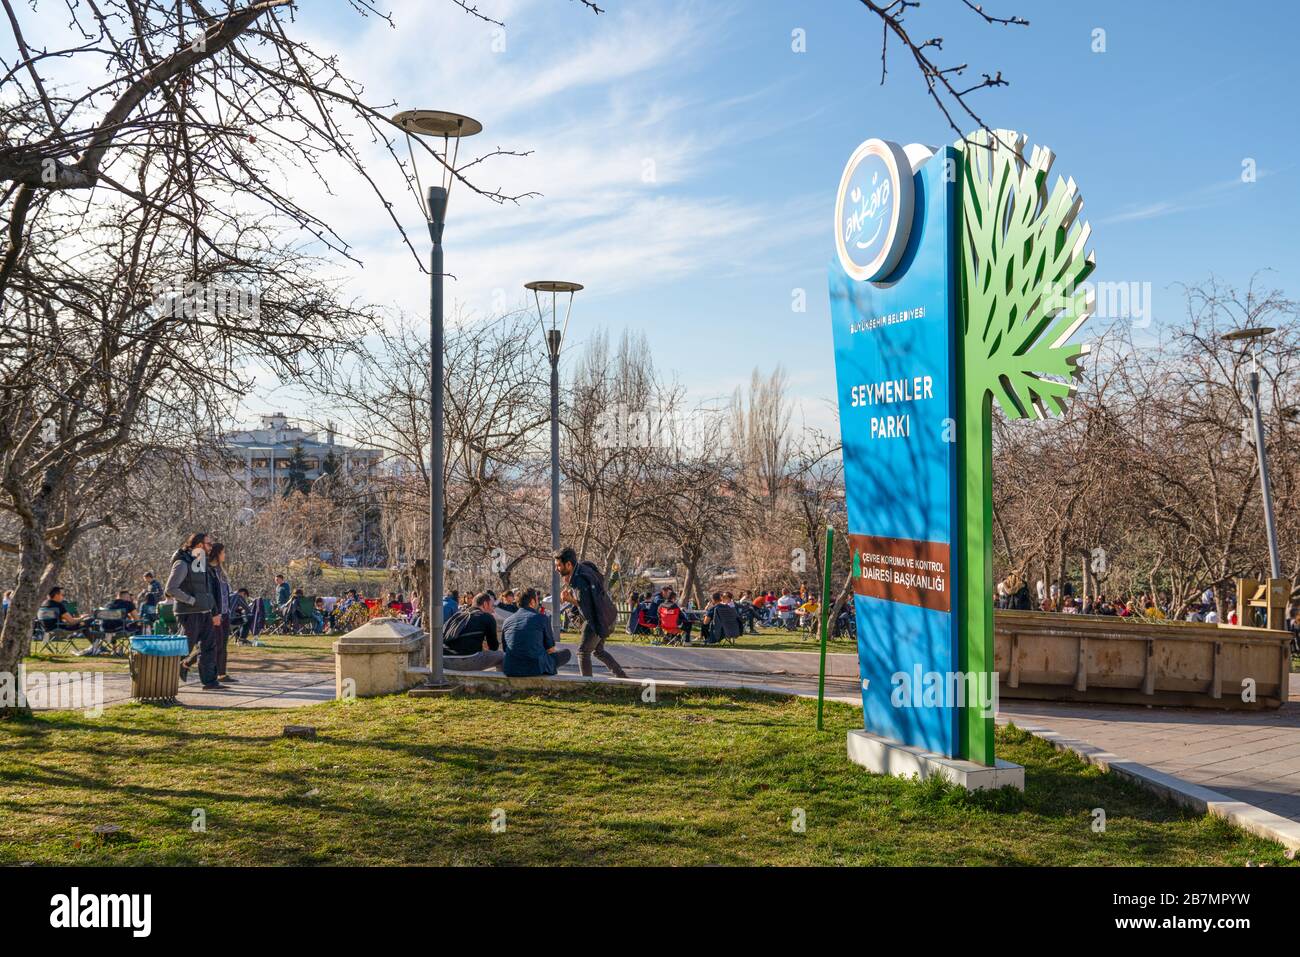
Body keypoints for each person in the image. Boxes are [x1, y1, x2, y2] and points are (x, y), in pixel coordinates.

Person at [555, 547, 627, 678]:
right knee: (598, 651)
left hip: (597, 618)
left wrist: (569, 599)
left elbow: (585, 605)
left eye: (559, 565)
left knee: (583, 653)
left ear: (569, 564)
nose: (557, 569)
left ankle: (587, 684)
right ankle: (621, 676)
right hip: (609, 615)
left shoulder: (580, 579)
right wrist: (571, 585)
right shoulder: (584, 568)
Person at [166, 532, 222, 689]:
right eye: (209, 544)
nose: (211, 547)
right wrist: (191, 600)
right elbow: (171, 588)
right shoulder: (182, 563)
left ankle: (210, 682)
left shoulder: (201, 562)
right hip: (188, 613)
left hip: (204, 612)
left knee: (209, 647)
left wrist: (213, 610)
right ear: (199, 545)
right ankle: (166, 676)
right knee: (185, 648)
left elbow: (207, 590)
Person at [501, 588, 571, 676]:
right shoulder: (542, 618)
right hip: (535, 668)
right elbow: (550, 649)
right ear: (532, 601)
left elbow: (505, 649)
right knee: (566, 653)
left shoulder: (507, 621)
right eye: (537, 600)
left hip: (510, 669)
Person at [442, 592, 503, 671]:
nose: (493, 610)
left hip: (443, 660)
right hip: (465, 660)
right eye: (492, 606)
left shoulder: (458, 614)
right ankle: (502, 682)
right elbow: (494, 647)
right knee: (502, 656)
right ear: (485, 604)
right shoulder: (487, 617)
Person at [208, 543, 238, 684]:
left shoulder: (221, 571)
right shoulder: (209, 571)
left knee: (223, 644)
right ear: (217, 553)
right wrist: (215, 613)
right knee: (214, 644)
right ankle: (187, 663)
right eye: (223, 552)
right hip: (215, 614)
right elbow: (211, 595)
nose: (225, 555)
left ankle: (222, 673)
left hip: (226, 613)